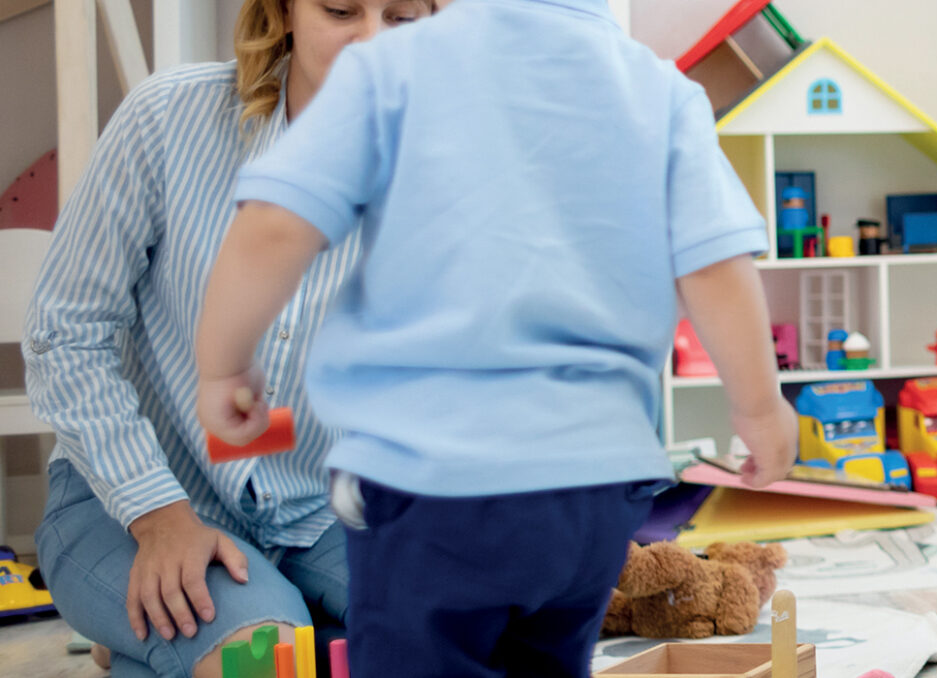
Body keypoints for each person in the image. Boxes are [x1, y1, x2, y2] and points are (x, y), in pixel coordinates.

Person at [188, 0, 796, 673]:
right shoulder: (659, 90)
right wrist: (760, 407)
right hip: (595, 489)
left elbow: (275, 225)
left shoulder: (392, 71)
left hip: (433, 483)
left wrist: (224, 365)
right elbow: (714, 264)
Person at [24, 2, 436, 675]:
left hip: (317, 510)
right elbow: (65, 332)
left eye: (404, 17)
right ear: (284, 10)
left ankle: (145, 647)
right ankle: (209, 624)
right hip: (132, 496)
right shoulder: (167, 119)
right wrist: (156, 514)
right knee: (264, 657)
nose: (372, 44)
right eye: (340, 8)